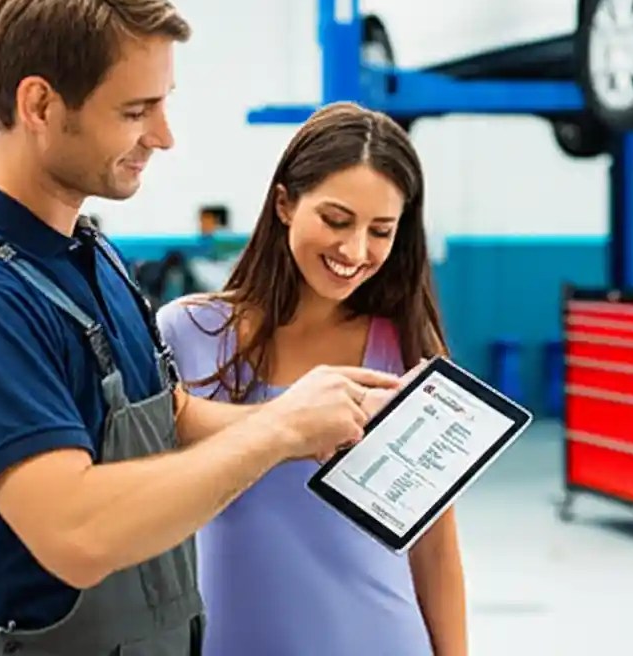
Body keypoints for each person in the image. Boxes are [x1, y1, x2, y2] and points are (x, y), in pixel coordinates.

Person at [0, 0, 401, 656]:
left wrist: (310, 419)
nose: (163, 135)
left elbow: (167, 416)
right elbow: (76, 533)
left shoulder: (89, 254)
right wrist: (275, 432)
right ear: (39, 105)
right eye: (136, 110)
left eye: (163, 103)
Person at [156, 102, 469, 656]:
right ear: (284, 204)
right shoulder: (188, 332)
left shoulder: (403, 350)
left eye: (381, 230)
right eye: (336, 219)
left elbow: (435, 548)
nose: (355, 251)